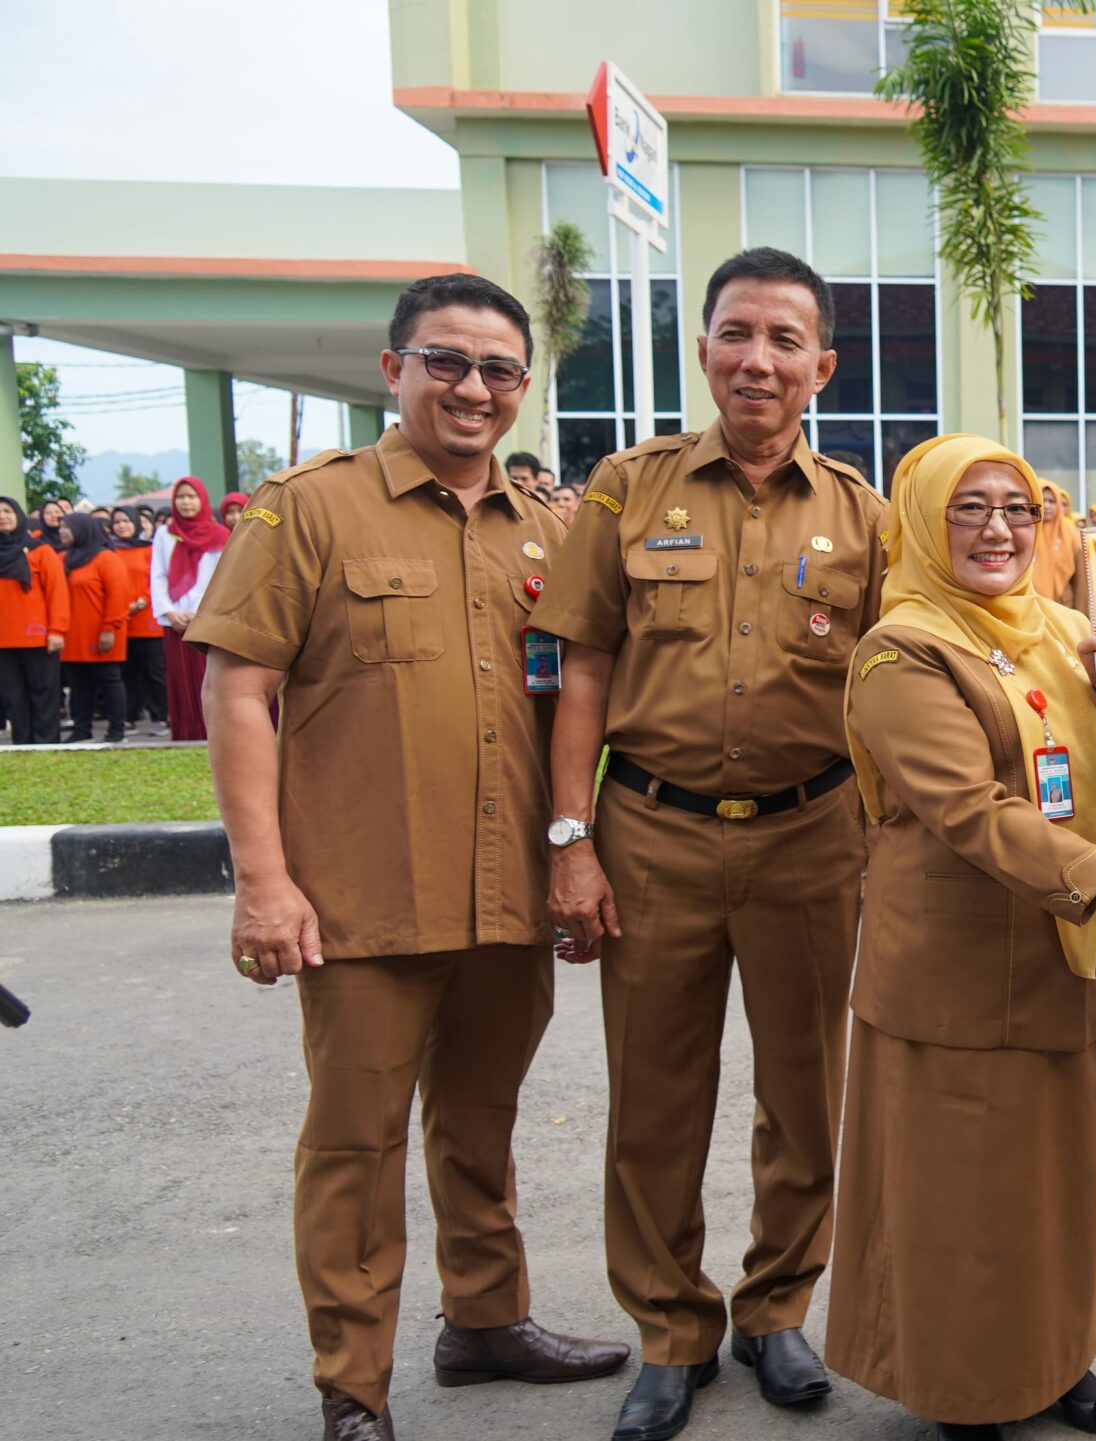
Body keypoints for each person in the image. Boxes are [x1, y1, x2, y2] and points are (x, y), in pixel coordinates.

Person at [186, 273, 627, 1441]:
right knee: (355, 1142)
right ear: (395, 370)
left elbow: (584, 698)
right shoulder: (312, 510)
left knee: (480, 1120)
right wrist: (263, 883)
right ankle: (353, 1386)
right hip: (364, 898)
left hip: (507, 893)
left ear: (522, 390)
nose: (471, 388)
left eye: (497, 370)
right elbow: (238, 691)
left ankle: (484, 1320)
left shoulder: (549, 527)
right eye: (446, 361)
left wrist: (578, 858)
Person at [532, 247, 887, 1441]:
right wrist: (570, 840)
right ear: (704, 350)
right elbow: (581, 668)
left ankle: (776, 1305)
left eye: (786, 340)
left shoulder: (864, 514)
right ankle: (670, 1330)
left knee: (807, 1093)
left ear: (821, 367)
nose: (759, 359)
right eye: (738, 333)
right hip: (651, 835)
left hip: (812, 837)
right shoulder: (628, 490)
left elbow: (901, 686)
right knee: (655, 1098)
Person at [829, 435, 1096, 1441]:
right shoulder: (901, 649)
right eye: (968, 507)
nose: (998, 528)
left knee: (1056, 1182)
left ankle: (1054, 1359)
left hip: (1065, 958)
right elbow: (969, 810)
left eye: (1016, 506)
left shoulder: (1062, 627)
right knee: (960, 1197)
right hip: (957, 971)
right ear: (919, 520)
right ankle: (966, 1388)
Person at [151, 476, 228, 741]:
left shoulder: (220, 536)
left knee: (208, 680)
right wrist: (169, 612)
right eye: (181, 497)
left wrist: (202, 613)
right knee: (181, 681)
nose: (186, 502)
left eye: (191, 496)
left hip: (206, 621)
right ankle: (184, 734)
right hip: (176, 621)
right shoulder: (165, 533)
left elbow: (223, 580)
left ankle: (212, 735)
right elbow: (158, 574)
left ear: (203, 500)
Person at [56, 513, 134, 743]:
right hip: (73, 635)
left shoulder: (106, 559)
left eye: (66, 527)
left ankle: (116, 729)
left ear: (81, 529)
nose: (62, 532)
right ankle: (81, 729)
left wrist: (109, 628)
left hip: (102, 632)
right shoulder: (63, 558)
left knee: (109, 680)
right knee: (79, 683)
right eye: (61, 527)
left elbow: (118, 596)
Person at [0, 497, 69, 745]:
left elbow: (57, 592)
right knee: (13, 696)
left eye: (7, 511)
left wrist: (57, 630)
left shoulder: (41, 550)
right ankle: (22, 744)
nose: (2, 516)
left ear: (18, 515)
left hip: (38, 636)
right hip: (4, 640)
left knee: (44, 694)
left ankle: (46, 743)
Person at [108, 507, 168, 731]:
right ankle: (130, 715)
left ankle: (159, 716)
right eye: (117, 522)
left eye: (126, 521)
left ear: (136, 523)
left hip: (146, 619)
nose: (122, 525)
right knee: (127, 672)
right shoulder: (110, 551)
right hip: (121, 620)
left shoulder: (150, 550)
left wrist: (141, 602)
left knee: (154, 671)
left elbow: (157, 580)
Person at [1029, 476, 1085, 609]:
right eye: (1042, 499)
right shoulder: (1026, 530)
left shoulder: (1072, 534)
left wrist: (1081, 614)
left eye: (1052, 501)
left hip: (1064, 606)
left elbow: (1081, 580)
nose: (1046, 505)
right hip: (1031, 606)